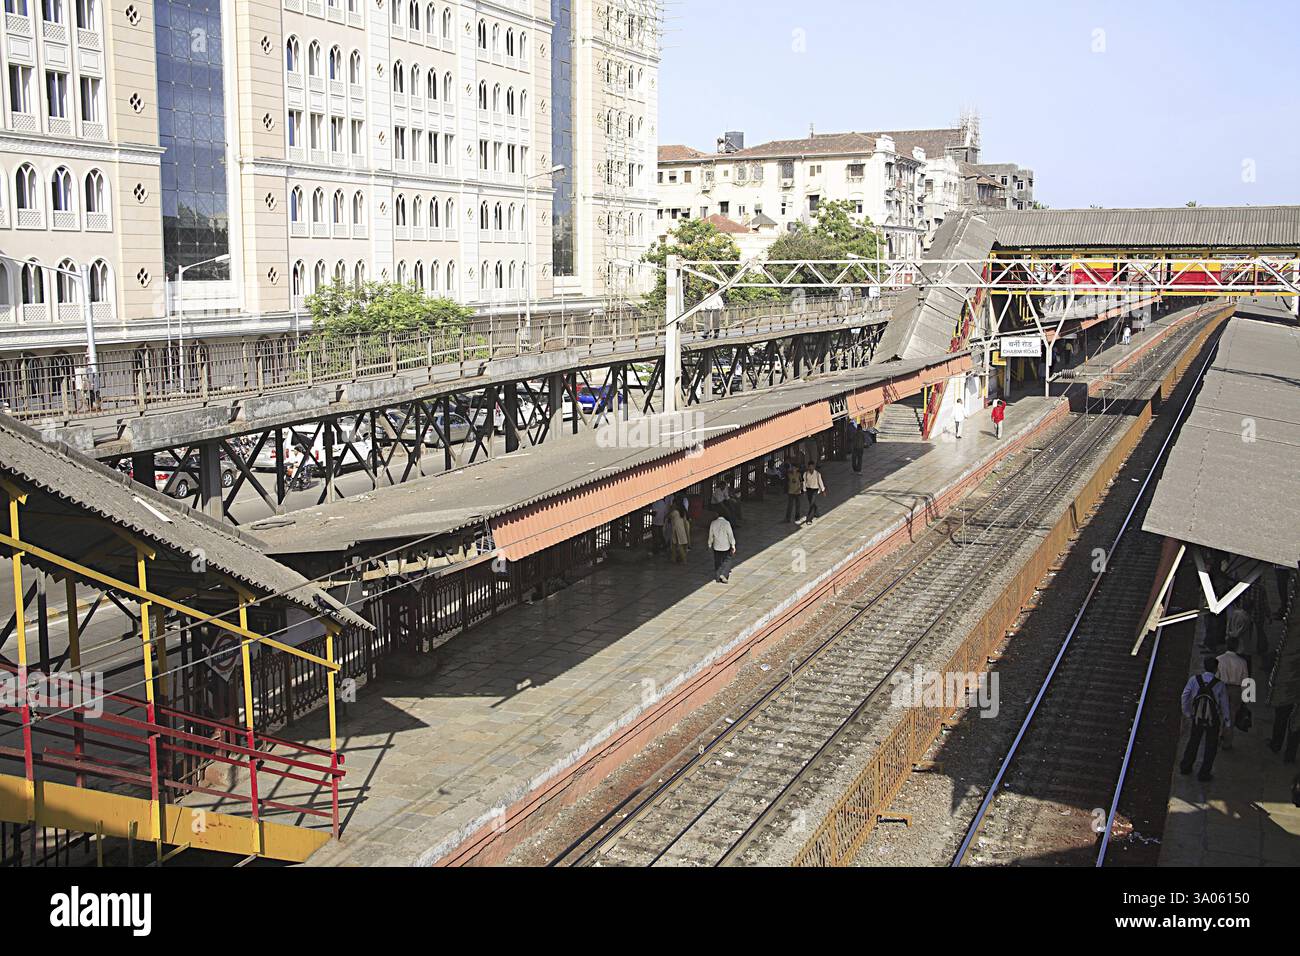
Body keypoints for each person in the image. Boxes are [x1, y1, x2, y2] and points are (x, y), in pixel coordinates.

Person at [1180, 657, 1232, 781]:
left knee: (1193, 741)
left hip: (1197, 717)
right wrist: (1227, 722)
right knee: (1211, 746)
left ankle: (1186, 767)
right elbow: (1224, 705)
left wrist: (1187, 712)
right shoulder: (1220, 685)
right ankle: (1204, 773)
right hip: (1212, 719)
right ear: (1216, 669)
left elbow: (1185, 695)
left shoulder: (1194, 680)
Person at [1216, 639, 1250, 750]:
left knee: (1219, 714)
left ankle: (1216, 737)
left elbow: (1216, 677)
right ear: (1237, 647)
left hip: (1222, 688)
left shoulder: (1219, 659)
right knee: (1231, 717)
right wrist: (1247, 698)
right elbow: (1246, 680)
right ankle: (1227, 742)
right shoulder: (1242, 662)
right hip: (1236, 691)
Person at [707, 510, 736, 583]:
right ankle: (724, 574)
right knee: (727, 560)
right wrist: (733, 545)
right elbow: (730, 535)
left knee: (717, 562)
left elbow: (711, 535)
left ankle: (717, 577)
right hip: (725, 546)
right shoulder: (726, 523)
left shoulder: (713, 523)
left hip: (716, 546)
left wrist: (709, 544)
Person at [784, 458, 804, 523]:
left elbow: (802, 483)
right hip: (791, 492)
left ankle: (797, 517)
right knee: (790, 506)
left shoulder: (799, 475)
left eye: (794, 468)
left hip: (797, 492)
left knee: (798, 506)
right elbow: (787, 482)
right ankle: (788, 518)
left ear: (797, 469)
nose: (793, 469)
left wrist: (800, 489)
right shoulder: (789, 474)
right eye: (792, 468)